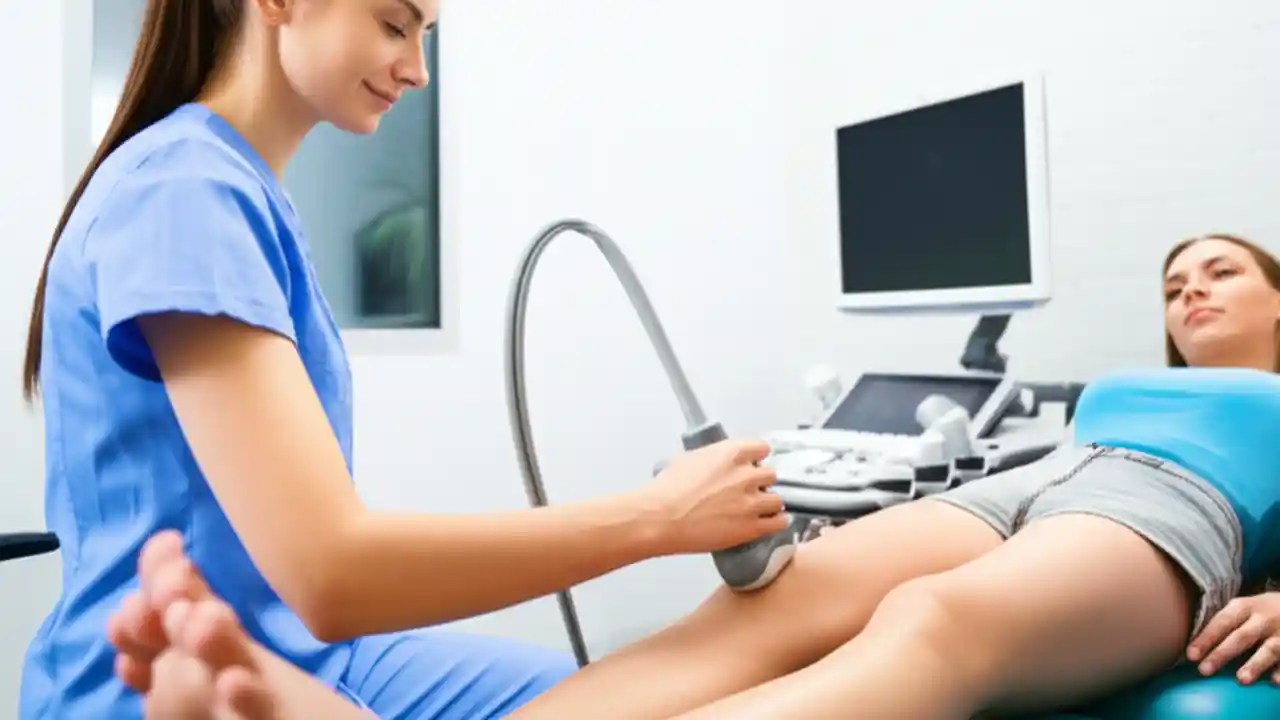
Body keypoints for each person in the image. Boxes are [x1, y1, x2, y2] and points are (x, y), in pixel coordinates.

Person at [108, 231, 1280, 719]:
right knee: (759, 608)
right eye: (1173, 282)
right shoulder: (1112, 381)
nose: (1188, 291)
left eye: (1220, 271)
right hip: (1032, 475)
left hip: (1164, 501)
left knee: (929, 620)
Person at [17, 1, 790, 718]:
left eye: (427, 35)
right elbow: (331, 574)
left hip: (310, 650)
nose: (418, 69)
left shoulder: (239, 187)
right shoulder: (184, 192)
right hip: (171, 678)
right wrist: (661, 518)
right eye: (394, 24)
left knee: (663, 682)